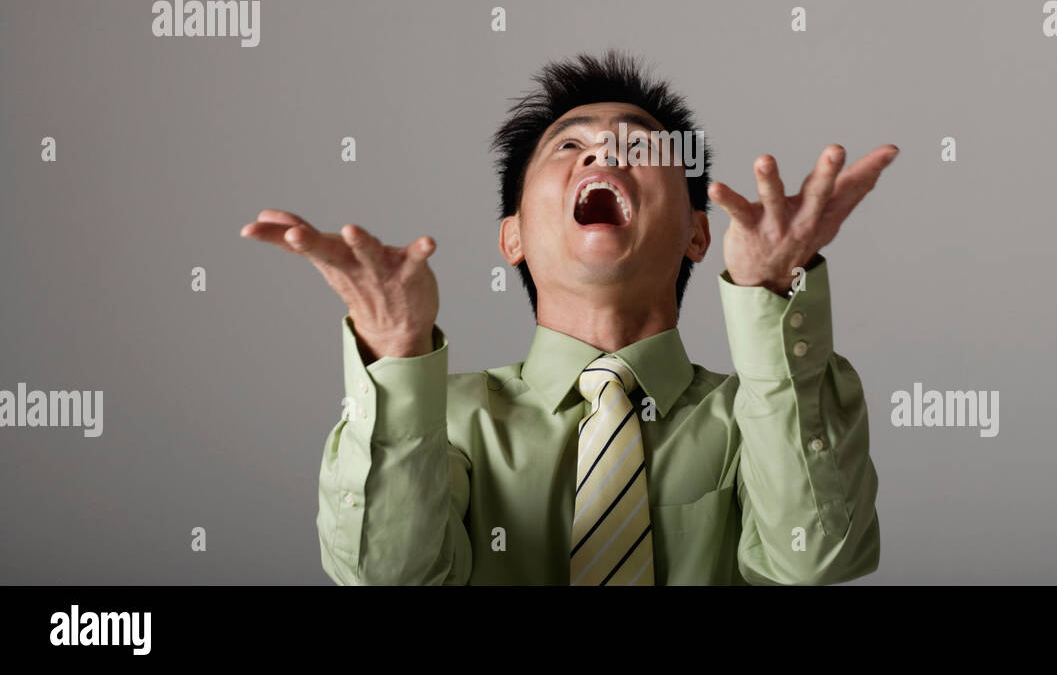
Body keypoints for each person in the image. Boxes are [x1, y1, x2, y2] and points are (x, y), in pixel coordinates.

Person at [240, 49, 898, 585]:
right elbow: (386, 574)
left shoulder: (750, 419)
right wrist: (394, 351)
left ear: (699, 234)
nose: (604, 154)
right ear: (514, 237)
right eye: (568, 145)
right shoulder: (442, 418)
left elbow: (815, 557)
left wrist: (769, 291)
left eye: (640, 147)